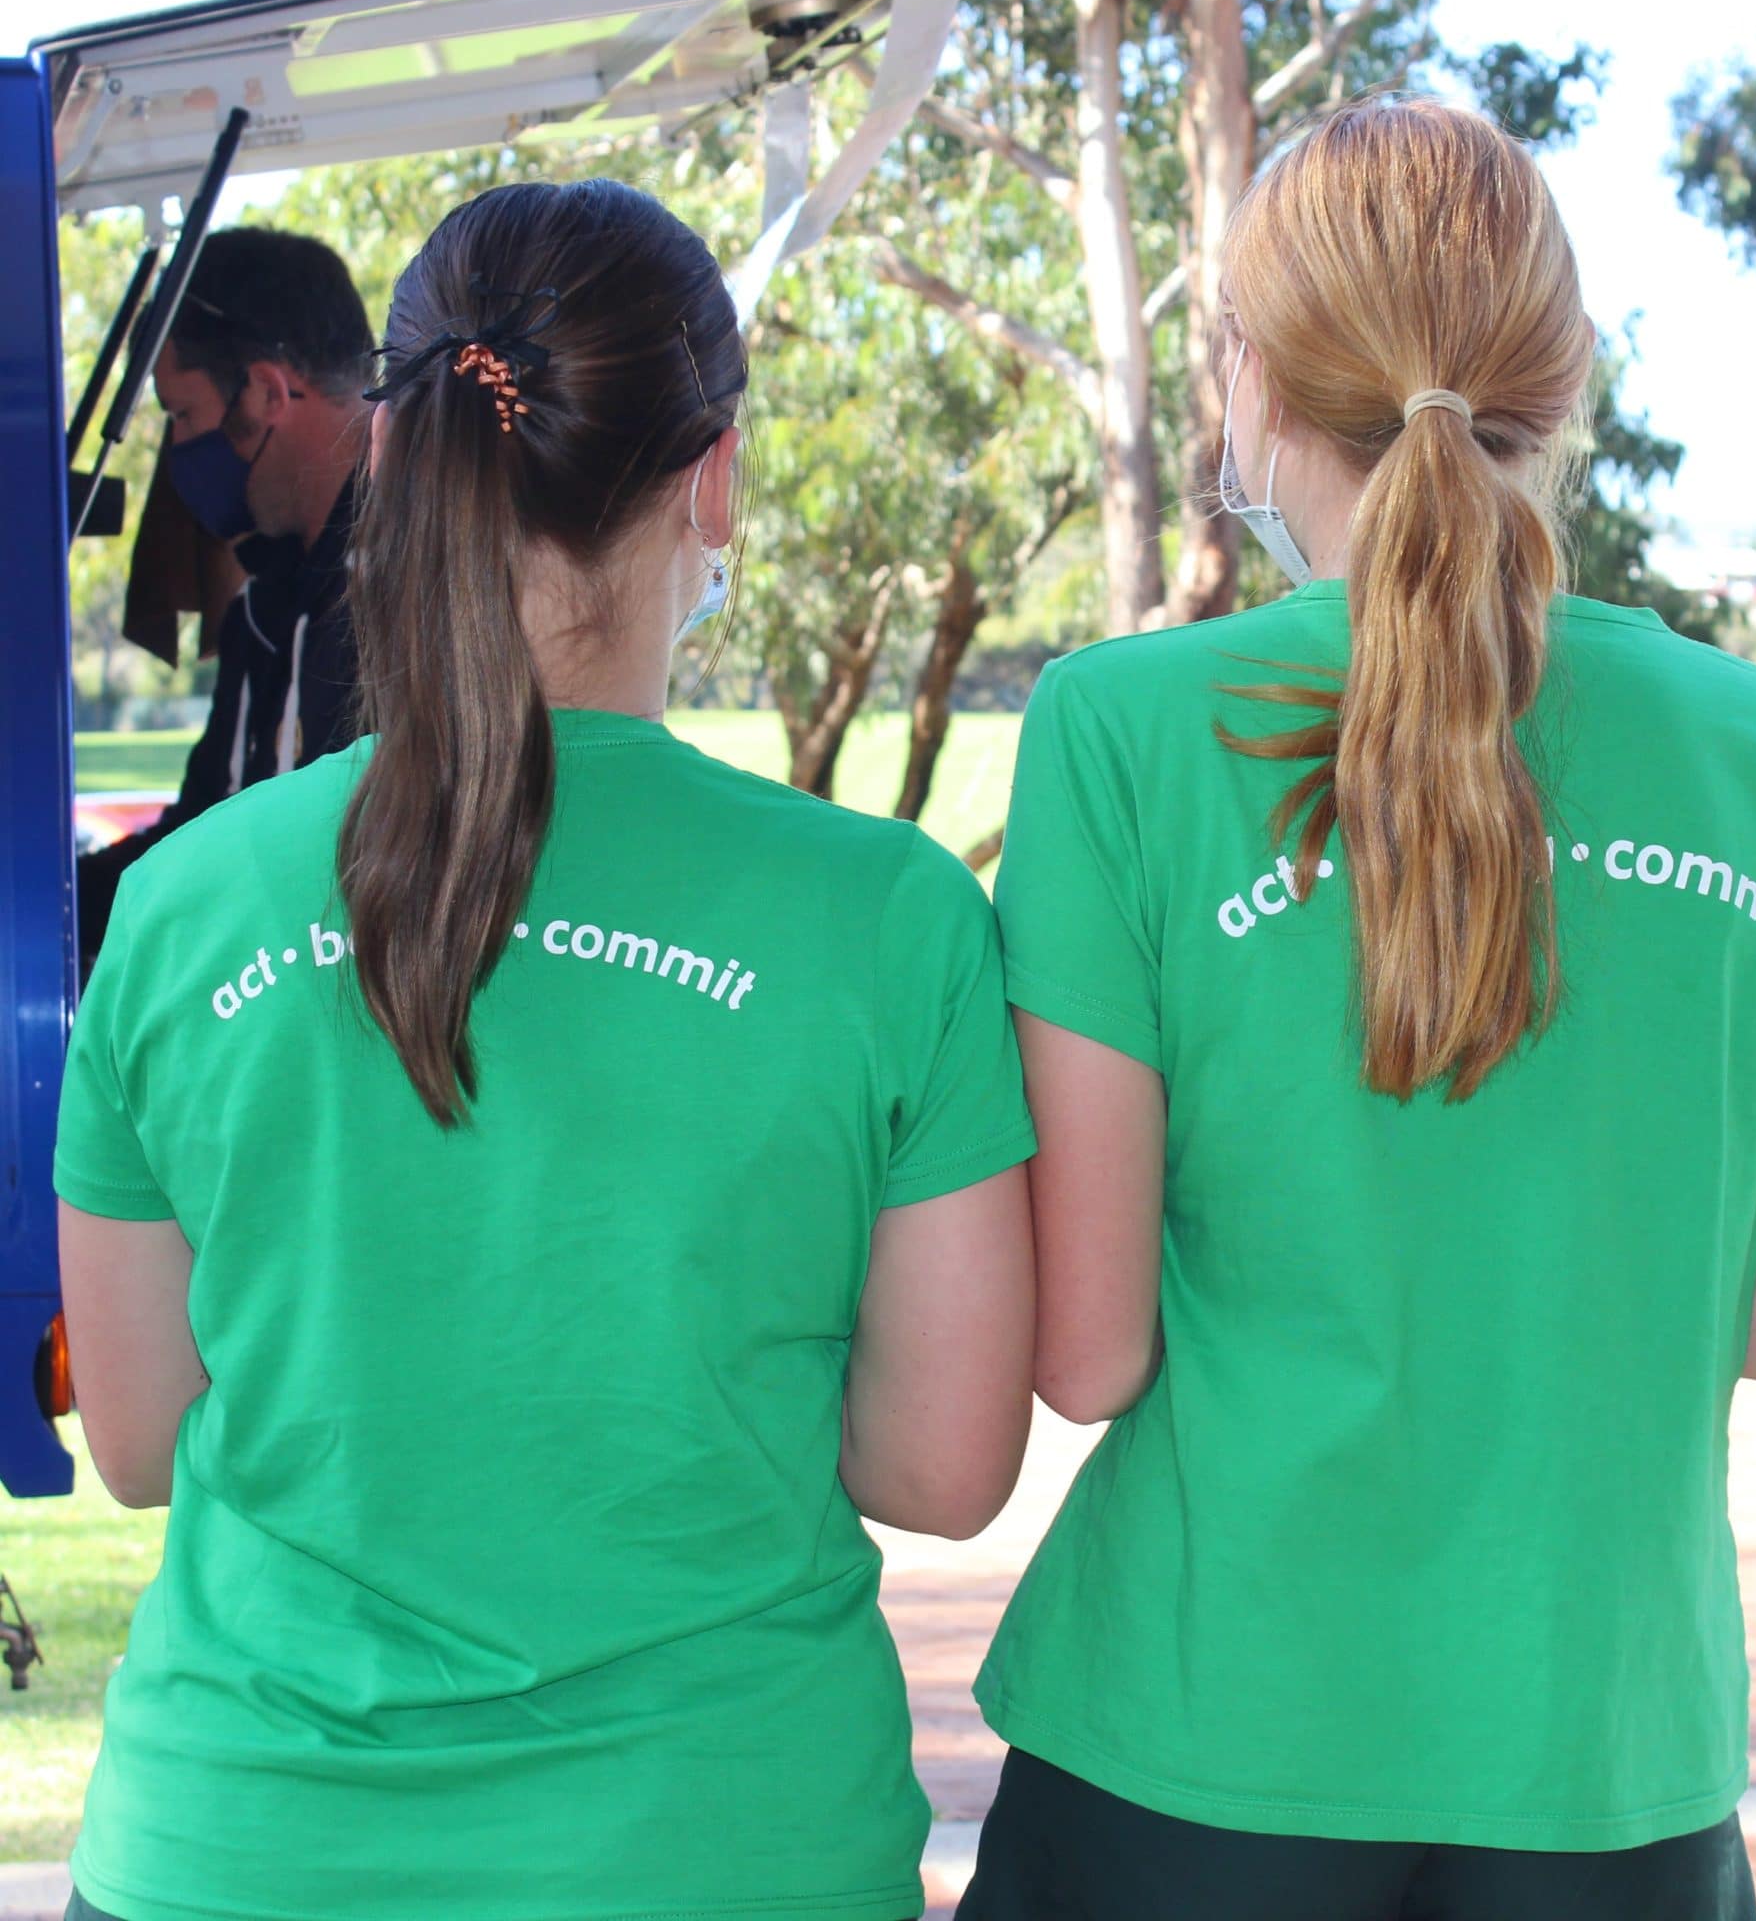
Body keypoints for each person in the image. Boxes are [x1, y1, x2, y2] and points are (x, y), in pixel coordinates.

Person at [959, 96, 1756, 1921]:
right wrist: (1571, 1258)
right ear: (1560, 382)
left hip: (1196, 1749)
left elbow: (1085, 1349)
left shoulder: (1117, 729)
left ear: (1249, 379)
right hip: (1606, 1763)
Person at [53, 178, 1037, 1921]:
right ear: (710, 473)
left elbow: (138, 1440)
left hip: (250, 1847)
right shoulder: (887, 916)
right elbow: (945, 1467)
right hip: (722, 1849)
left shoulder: (185, 905)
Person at [74, 226, 371, 967]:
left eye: (181, 417)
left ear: (268, 392)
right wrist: (51, 911)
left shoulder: (417, 601)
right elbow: (204, 831)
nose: (178, 456)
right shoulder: (264, 608)